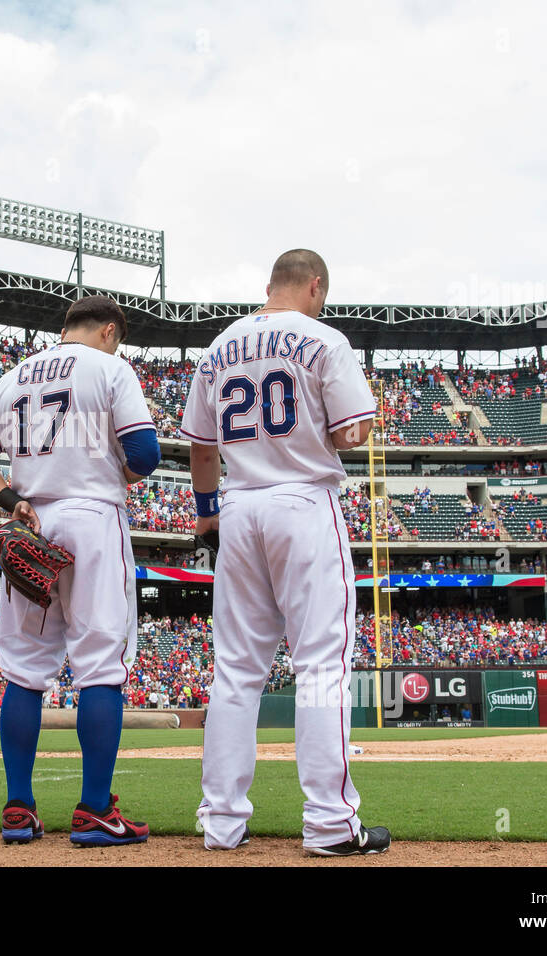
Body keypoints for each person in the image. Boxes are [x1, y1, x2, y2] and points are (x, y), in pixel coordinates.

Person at [183, 249, 390, 856]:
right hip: (303, 504)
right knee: (321, 669)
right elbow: (352, 432)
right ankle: (329, 824)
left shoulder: (218, 347)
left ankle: (221, 824)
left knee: (236, 672)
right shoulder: (325, 339)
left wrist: (206, 517)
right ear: (315, 286)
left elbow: (200, 450)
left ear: (270, 284)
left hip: (239, 504)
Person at [0, 294, 161, 846]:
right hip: (94, 517)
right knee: (100, 666)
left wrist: (10, 500)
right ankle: (95, 811)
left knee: (23, 670)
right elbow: (144, 453)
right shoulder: (111, 367)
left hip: (33, 521)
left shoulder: (8, 378)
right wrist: (110, 467)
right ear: (110, 331)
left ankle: (19, 809)